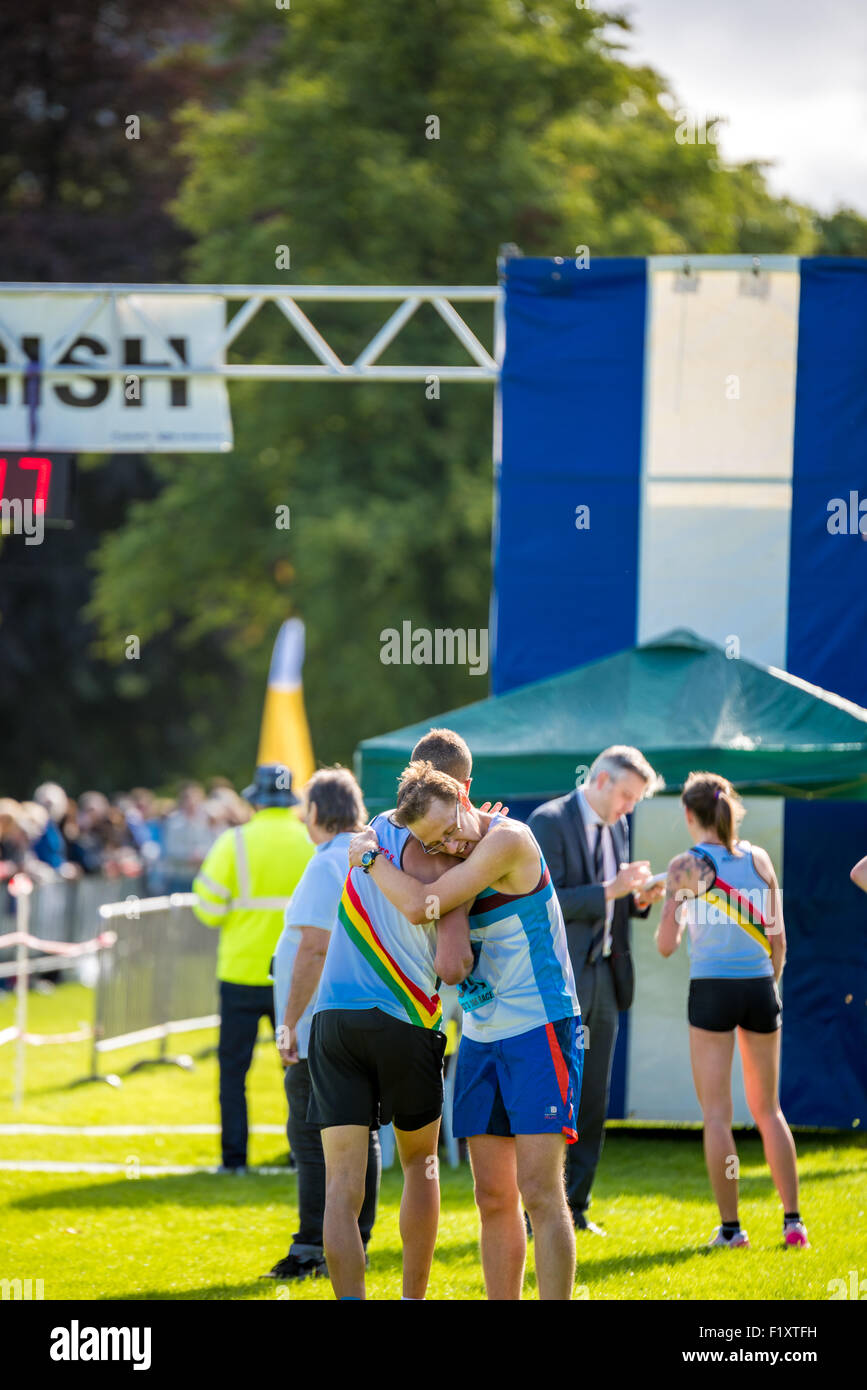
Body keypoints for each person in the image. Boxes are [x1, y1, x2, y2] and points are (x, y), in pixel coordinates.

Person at [351, 760, 583, 1302]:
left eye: (451, 828)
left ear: (463, 796)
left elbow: (419, 904)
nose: (447, 844)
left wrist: (366, 855)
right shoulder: (453, 852)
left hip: (539, 1025)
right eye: (431, 843)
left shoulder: (507, 840)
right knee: (492, 1197)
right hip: (480, 1035)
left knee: (541, 1194)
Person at [306, 732, 476, 1302]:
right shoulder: (457, 852)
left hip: (332, 1021)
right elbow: (453, 966)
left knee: (341, 1187)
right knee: (421, 1165)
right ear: (462, 787)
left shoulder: (371, 830)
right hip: (407, 1023)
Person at [655, 771, 808, 1249]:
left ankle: (731, 1230)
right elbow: (779, 939)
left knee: (717, 1115)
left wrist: (669, 906)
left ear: (688, 814)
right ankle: (793, 1223)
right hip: (761, 986)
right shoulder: (760, 859)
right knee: (770, 1110)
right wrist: (769, 980)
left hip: (712, 990)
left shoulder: (684, 865)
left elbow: (664, 945)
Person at [528, 747, 663, 1233]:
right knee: (552, 1091)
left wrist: (639, 899)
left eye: (635, 800)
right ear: (602, 781)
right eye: (627, 796)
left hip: (606, 973)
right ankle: (539, 1208)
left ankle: (577, 1208)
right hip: (563, 977)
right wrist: (611, 889)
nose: (629, 807)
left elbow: (614, 899)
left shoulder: (618, 825)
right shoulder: (549, 820)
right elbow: (545, 903)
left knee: (594, 1095)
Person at [266, 767, 380, 1281]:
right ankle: (356, 1240)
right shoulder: (373, 855)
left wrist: (288, 1022)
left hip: (321, 1025)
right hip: (365, 1016)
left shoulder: (328, 861)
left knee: (312, 1138)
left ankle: (314, 1244)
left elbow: (313, 948)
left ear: (316, 811)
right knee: (362, 1135)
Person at [193, 764, 314, 1173]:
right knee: (298, 1067)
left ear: (256, 800)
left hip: (241, 972)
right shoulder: (309, 841)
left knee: (233, 1071)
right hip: (295, 974)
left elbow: (207, 910)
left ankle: (234, 1159)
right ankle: (303, 1154)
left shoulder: (235, 841)